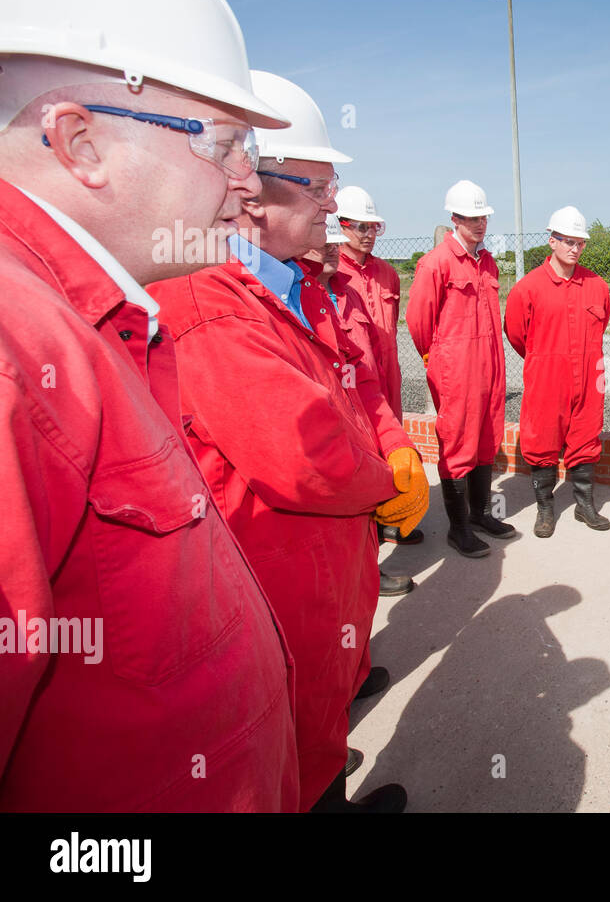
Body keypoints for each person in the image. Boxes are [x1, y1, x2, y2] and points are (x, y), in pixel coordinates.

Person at [0, 0, 297, 811]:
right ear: (78, 141)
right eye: (227, 143)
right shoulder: (19, 351)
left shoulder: (97, 322)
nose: (249, 183)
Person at [150, 71, 426, 813]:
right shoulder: (207, 301)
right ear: (252, 185)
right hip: (278, 571)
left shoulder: (297, 284)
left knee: (325, 713)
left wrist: (396, 442)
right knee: (291, 735)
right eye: (317, 185)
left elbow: (360, 383)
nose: (334, 205)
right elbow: (305, 462)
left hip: (329, 564)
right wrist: (384, 482)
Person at [303, 216, 416, 597]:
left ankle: (370, 569)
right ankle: (358, 578)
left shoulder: (347, 292)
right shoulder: (297, 299)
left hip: (371, 401)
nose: (333, 249)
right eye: (327, 243)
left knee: (373, 489)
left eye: (336, 244)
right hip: (337, 416)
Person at [408, 180, 516, 557]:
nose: (479, 224)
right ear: (454, 218)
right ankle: (457, 529)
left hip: (490, 365)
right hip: (457, 369)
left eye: (483, 217)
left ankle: (480, 514)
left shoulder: (487, 261)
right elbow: (419, 323)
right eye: (471, 217)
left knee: (487, 437)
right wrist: (441, 360)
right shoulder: (436, 262)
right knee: (457, 442)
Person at [504, 206, 610, 536]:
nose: (574, 249)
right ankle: (545, 508)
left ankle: (584, 505)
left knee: (585, 437)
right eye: (568, 241)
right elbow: (517, 334)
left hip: (588, 379)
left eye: (580, 243)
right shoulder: (528, 288)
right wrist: (545, 359)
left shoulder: (596, 285)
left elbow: (603, 323)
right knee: (542, 440)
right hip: (547, 380)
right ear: (551, 241)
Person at [335, 185, 415, 544]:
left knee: (391, 448)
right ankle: (370, 539)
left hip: (387, 375)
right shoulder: (330, 270)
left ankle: (393, 520)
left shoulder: (387, 273)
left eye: (374, 228)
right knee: (364, 454)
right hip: (354, 380)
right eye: (360, 227)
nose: (368, 235)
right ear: (340, 225)